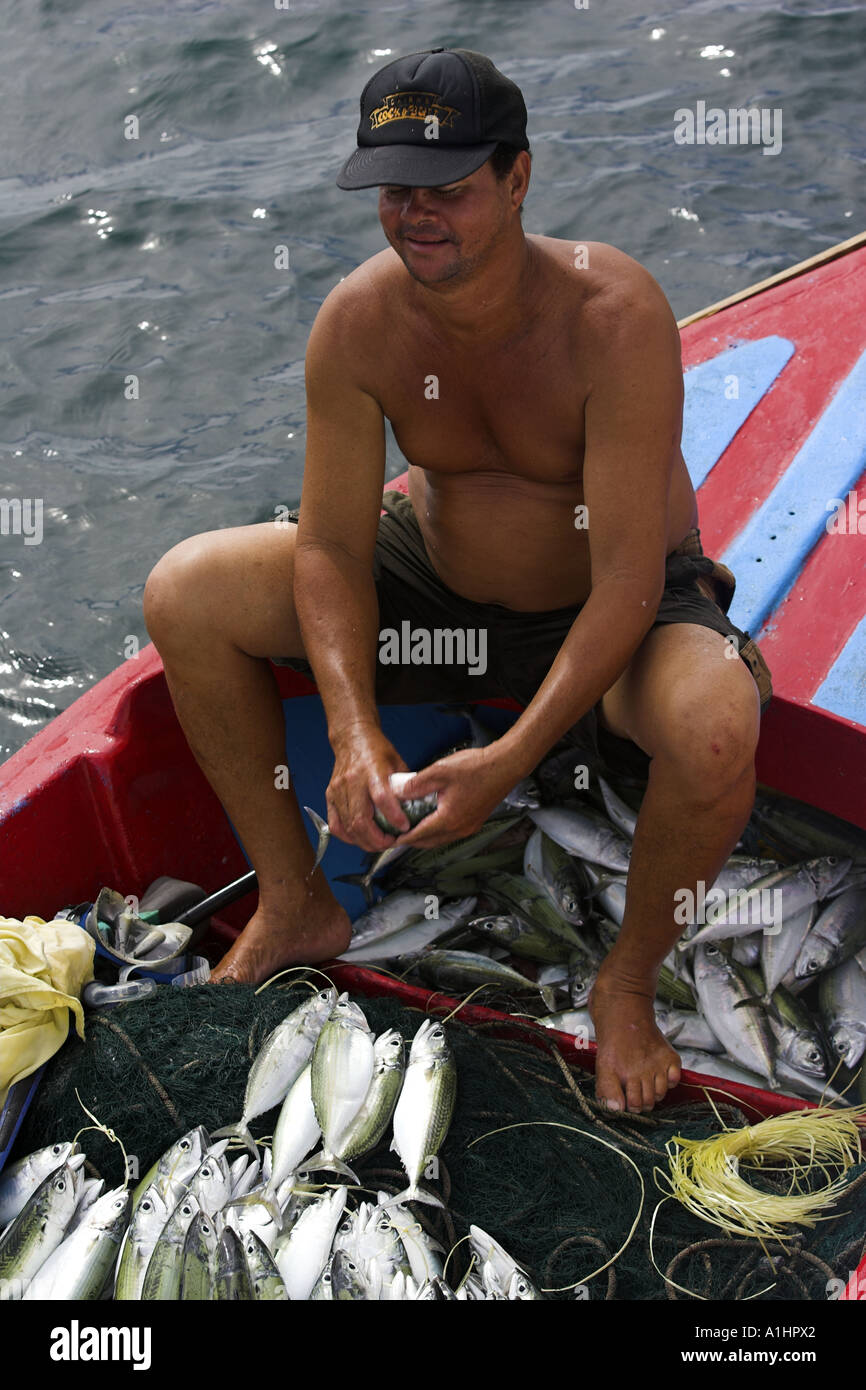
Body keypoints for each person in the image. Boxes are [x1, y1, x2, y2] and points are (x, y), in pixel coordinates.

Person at [143, 48, 772, 1114]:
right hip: (434, 586)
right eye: (396, 192)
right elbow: (331, 550)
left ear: (516, 180)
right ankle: (296, 900)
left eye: (448, 190)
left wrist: (510, 757)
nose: (417, 216)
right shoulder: (356, 320)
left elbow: (625, 580)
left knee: (715, 719)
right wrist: (349, 729)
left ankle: (624, 981)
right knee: (184, 589)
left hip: (606, 612)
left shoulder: (611, 314)